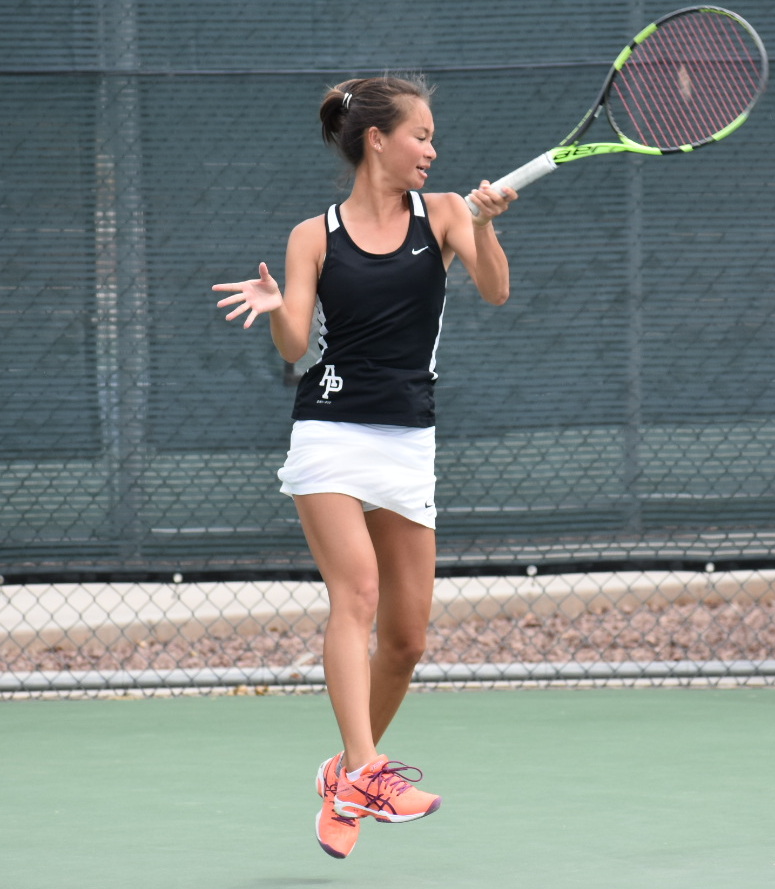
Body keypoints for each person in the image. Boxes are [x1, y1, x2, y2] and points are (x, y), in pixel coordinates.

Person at [212, 75, 515, 859]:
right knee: (360, 593)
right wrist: (281, 304)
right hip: (330, 436)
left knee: (408, 638)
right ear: (377, 139)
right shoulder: (312, 235)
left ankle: (344, 777)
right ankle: (368, 768)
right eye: (420, 135)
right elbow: (293, 347)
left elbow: (494, 290)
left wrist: (483, 226)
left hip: (408, 441)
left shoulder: (444, 211)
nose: (432, 149)